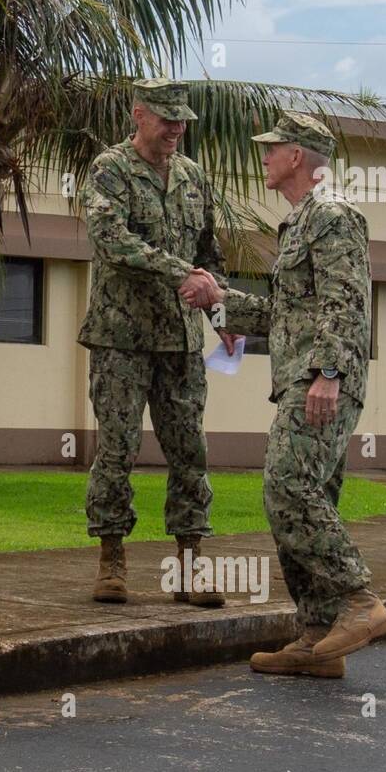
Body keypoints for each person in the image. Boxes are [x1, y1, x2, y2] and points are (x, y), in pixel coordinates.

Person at [200, 110, 386, 677]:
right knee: (307, 501)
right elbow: (286, 312)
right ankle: (317, 635)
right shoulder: (304, 220)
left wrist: (328, 374)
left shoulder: (331, 214)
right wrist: (216, 300)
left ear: (297, 158)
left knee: (287, 488)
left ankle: (359, 601)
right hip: (303, 379)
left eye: (272, 148)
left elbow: (346, 299)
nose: (263, 156)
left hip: (320, 382)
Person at [78, 78, 232, 606]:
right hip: (120, 338)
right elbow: (112, 239)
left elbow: (211, 251)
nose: (176, 128)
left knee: (190, 450)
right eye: (166, 118)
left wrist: (221, 310)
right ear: (138, 115)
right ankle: (112, 560)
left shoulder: (193, 177)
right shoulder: (109, 169)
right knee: (117, 450)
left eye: (182, 119)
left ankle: (190, 566)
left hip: (181, 343)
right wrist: (179, 273)